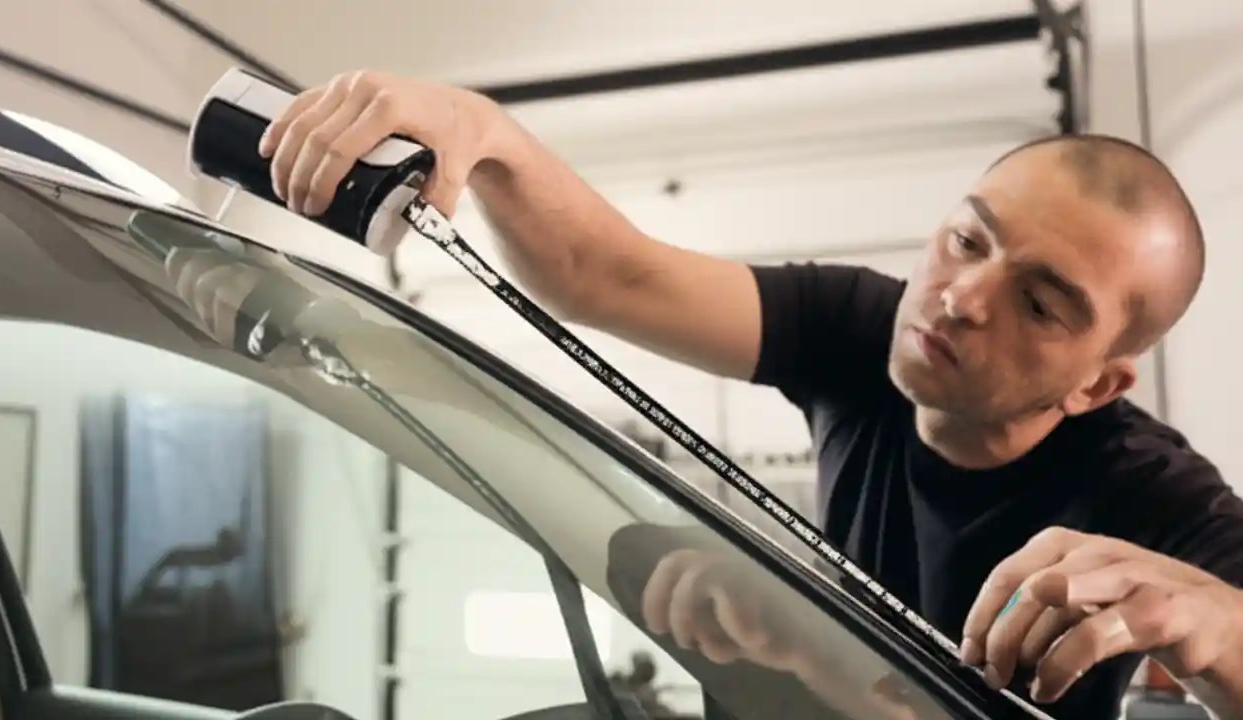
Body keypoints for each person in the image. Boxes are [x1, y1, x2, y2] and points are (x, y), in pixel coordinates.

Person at [257, 70, 1243, 718]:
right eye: (967, 238)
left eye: (1036, 303)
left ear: (1096, 383)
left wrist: (1217, 625)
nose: (958, 298)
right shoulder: (866, 329)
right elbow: (609, 277)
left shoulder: (1148, 493)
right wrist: (479, 128)